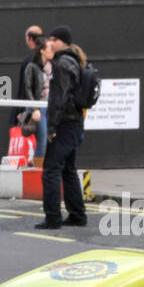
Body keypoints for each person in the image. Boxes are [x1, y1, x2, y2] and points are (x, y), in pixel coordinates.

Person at [38, 25, 89, 230]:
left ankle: (52, 217)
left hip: (64, 124)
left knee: (50, 170)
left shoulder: (61, 64)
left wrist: (51, 127)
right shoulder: (75, 61)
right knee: (68, 170)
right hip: (74, 123)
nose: (50, 42)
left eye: (54, 39)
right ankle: (77, 214)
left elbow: (58, 98)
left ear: (63, 42)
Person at [17, 33, 50, 163]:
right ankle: (38, 171)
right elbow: (28, 88)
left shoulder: (51, 66)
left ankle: (40, 167)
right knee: (42, 139)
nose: (51, 50)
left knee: (48, 139)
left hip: (49, 106)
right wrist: (35, 108)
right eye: (49, 48)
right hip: (38, 107)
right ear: (42, 50)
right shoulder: (32, 66)